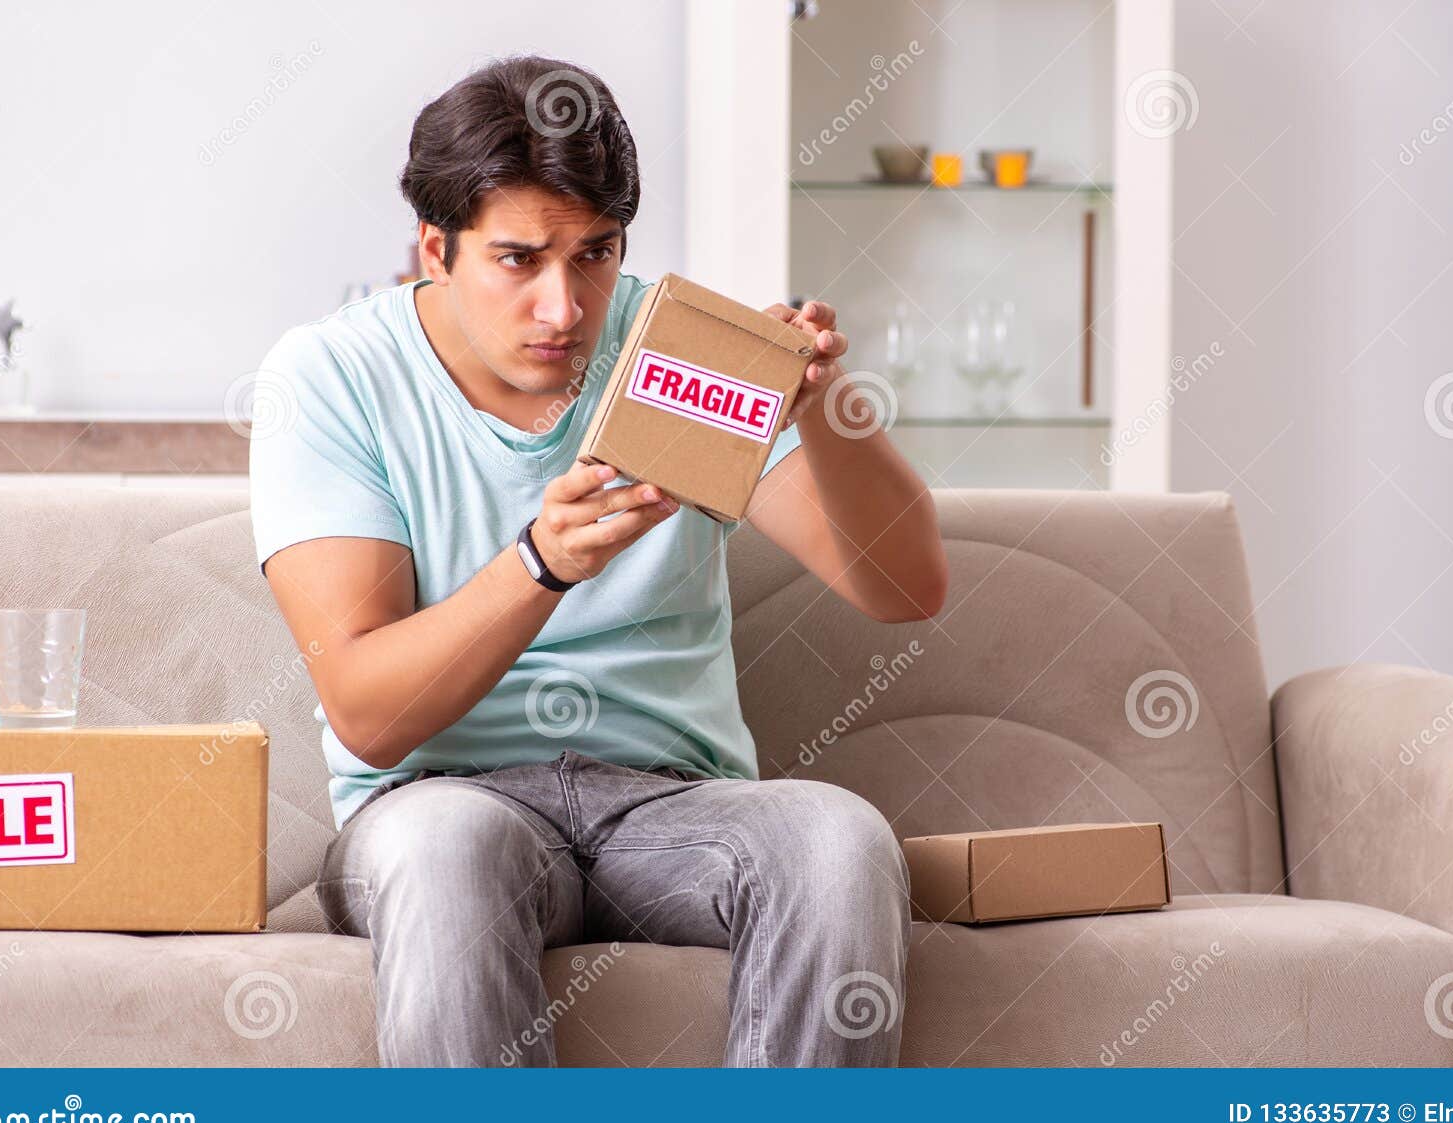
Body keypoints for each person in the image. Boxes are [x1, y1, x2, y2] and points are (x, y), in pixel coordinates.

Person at [249, 54, 948, 1067]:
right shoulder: (332, 377)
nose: (564, 308)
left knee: (835, 840)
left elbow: (902, 588)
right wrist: (537, 567)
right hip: (437, 803)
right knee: (446, 850)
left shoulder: (676, 351)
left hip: (670, 804)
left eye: (594, 255)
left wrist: (825, 415)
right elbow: (367, 707)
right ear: (433, 250)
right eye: (518, 259)